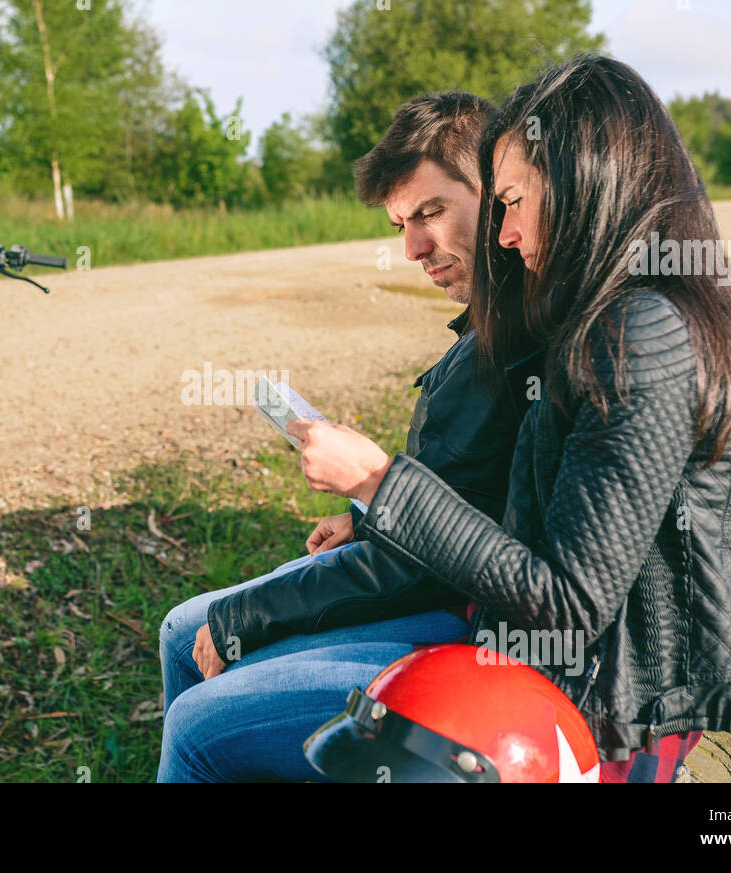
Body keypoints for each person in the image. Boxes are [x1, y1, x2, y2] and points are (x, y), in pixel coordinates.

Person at [281, 55, 731, 781]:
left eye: (511, 201)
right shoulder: (645, 307)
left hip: (602, 723)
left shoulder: (642, 333)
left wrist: (378, 480)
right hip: (591, 695)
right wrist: (373, 513)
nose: (504, 234)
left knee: (215, 737)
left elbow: (568, 601)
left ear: (585, 177)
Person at [156, 92, 546, 782]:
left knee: (196, 708)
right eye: (401, 223)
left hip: (469, 621)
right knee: (183, 630)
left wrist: (252, 613)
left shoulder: (518, 337)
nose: (412, 249)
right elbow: (466, 497)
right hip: (441, 583)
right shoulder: (494, 318)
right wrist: (366, 515)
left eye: (430, 212)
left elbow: (429, 561)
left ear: (501, 192)